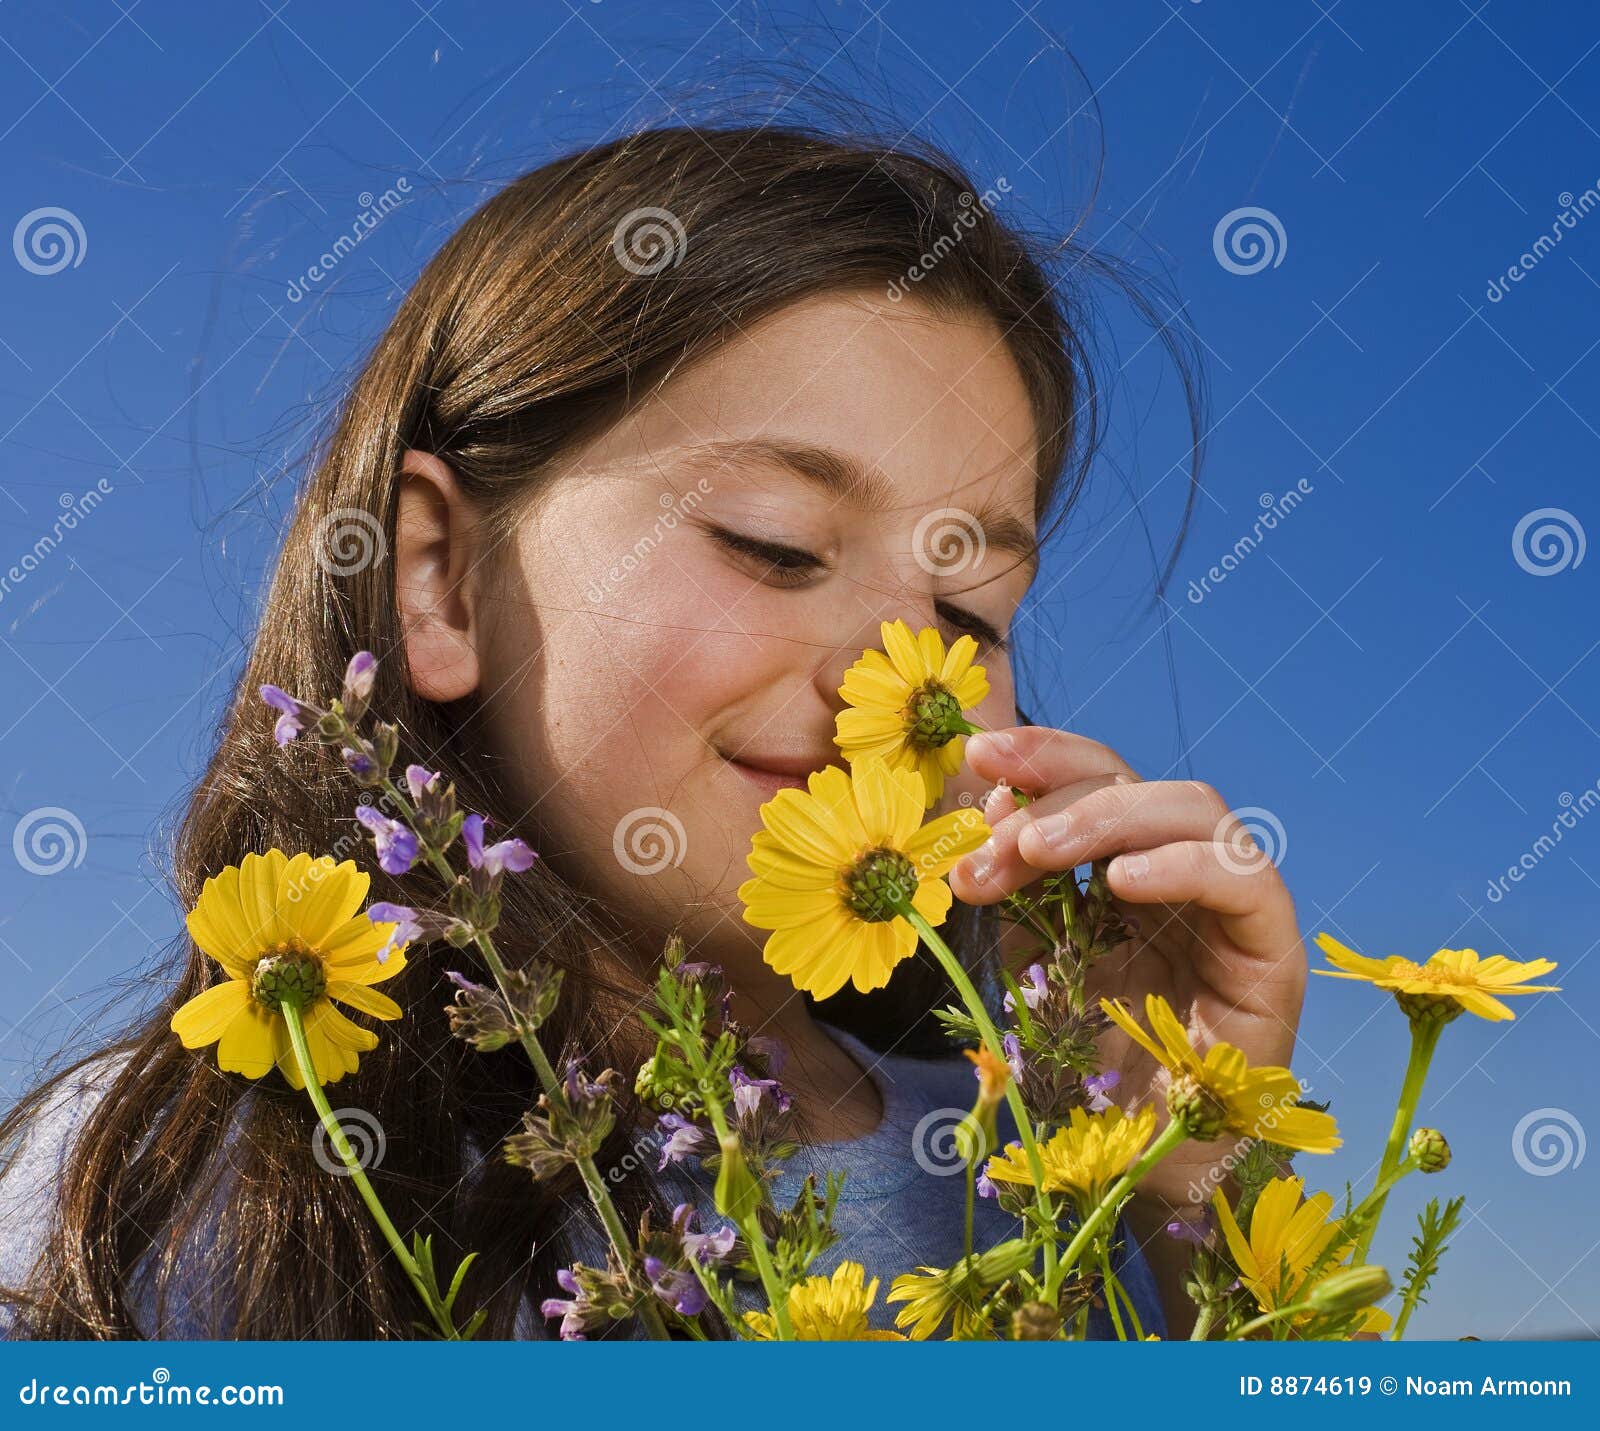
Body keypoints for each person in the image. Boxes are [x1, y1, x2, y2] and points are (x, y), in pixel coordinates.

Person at [0, 123, 1304, 1340]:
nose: (886, 686)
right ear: (441, 579)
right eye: (775, 544)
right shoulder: (161, 1186)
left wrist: (1182, 1175)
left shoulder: (1040, 1188)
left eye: (969, 613)